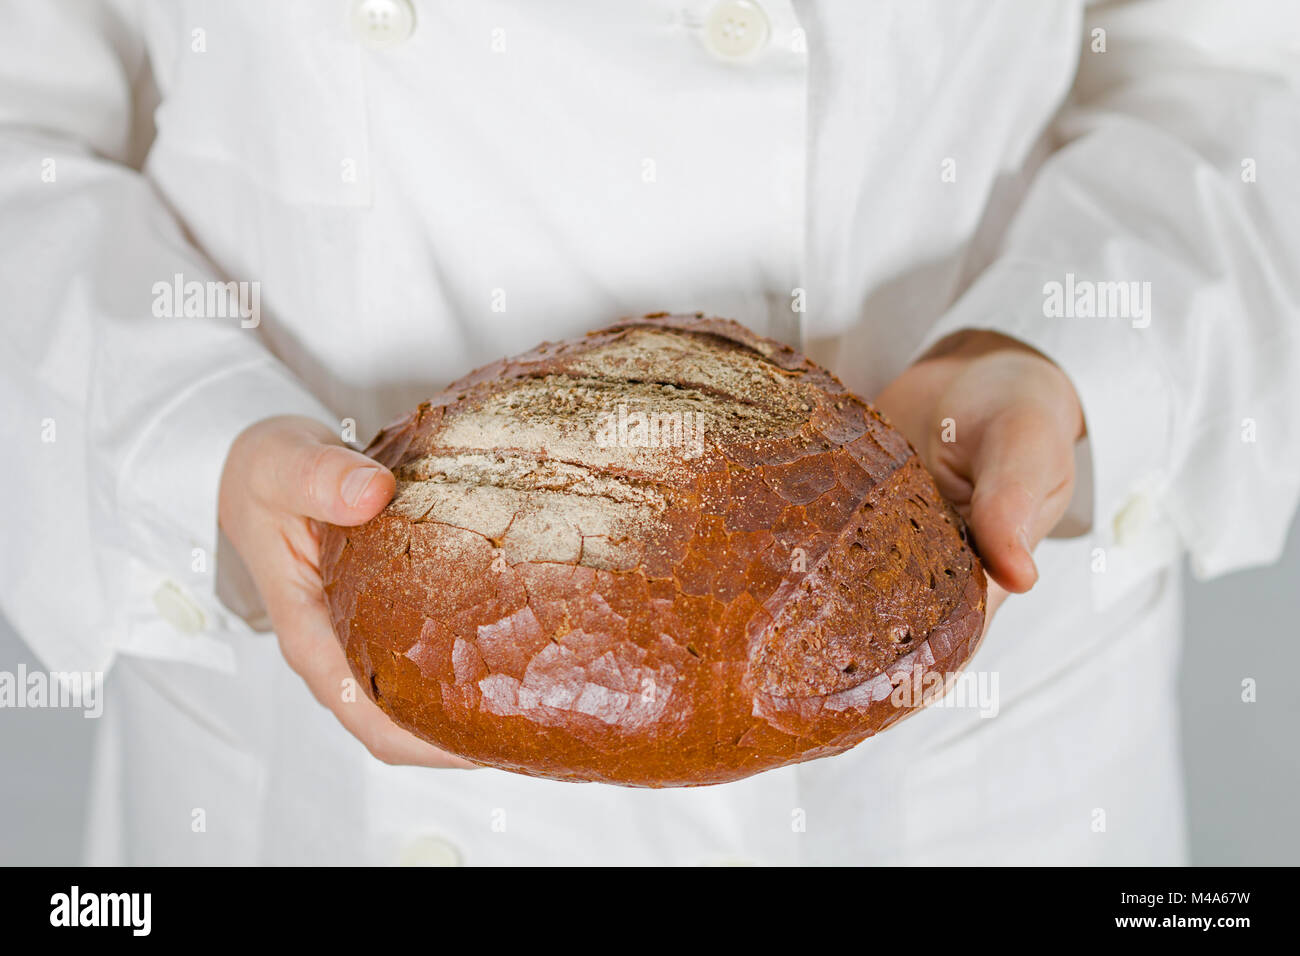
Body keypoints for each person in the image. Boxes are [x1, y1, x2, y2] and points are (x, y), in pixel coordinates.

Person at [2, 0, 1297, 865]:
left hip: (959, 761)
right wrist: (180, 436)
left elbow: (1242, 68)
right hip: (327, 787)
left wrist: (1057, 350)